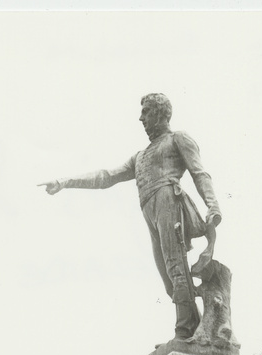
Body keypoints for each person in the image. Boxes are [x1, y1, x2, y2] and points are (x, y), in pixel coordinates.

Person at [39, 93, 222, 341]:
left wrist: (213, 206)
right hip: (150, 211)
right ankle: (193, 325)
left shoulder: (177, 138)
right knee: (168, 277)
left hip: (168, 200)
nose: (141, 118)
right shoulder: (140, 156)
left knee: (175, 267)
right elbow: (106, 177)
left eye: (146, 112)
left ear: (160, 113)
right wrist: (64, 182)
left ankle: (185, 329)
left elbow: (200, 173)